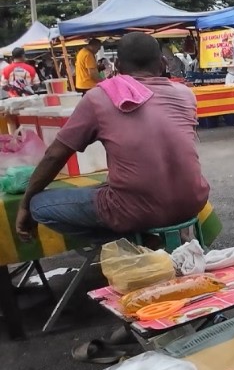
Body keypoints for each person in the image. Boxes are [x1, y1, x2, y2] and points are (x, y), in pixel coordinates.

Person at [18, 32, 209, 248]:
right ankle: (154, 240)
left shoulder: (99, 97)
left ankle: (141, 243)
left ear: (116, 65)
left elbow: (54, 155)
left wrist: (25, 205)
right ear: (163, 63)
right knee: (106, 187)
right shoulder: (185, 94)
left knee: (38, 205)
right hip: (193, 201)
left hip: (135, 210)